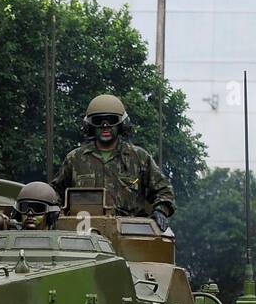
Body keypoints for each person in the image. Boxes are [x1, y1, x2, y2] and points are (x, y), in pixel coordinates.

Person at [50, 94, 176, 225]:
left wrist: (161, 210)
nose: (105, 126)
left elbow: (164, 190)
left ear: (122, 124)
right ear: (90, 126)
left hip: (128, 233)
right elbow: (55, 191)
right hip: (84, 233)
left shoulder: (139, 158)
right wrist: (54, 207)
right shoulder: (75, 159)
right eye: (99, 121)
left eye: (111, 120)